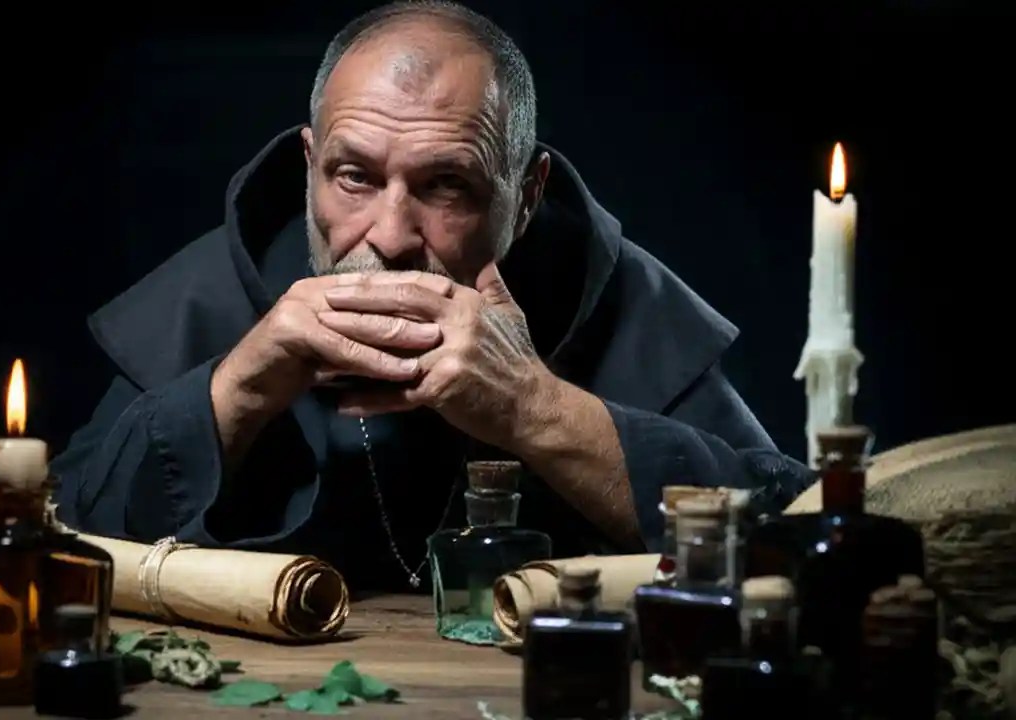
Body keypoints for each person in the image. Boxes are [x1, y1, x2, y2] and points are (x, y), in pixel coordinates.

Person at [50, 0, 813, 591]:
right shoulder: (217, 284)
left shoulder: (611, 292)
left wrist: (534, 407)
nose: (388, 235)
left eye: (446, 185)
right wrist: (239, 387)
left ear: (527, 191)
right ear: (310, 165)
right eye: (354, 176)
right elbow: (65, 534)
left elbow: (791, 533)